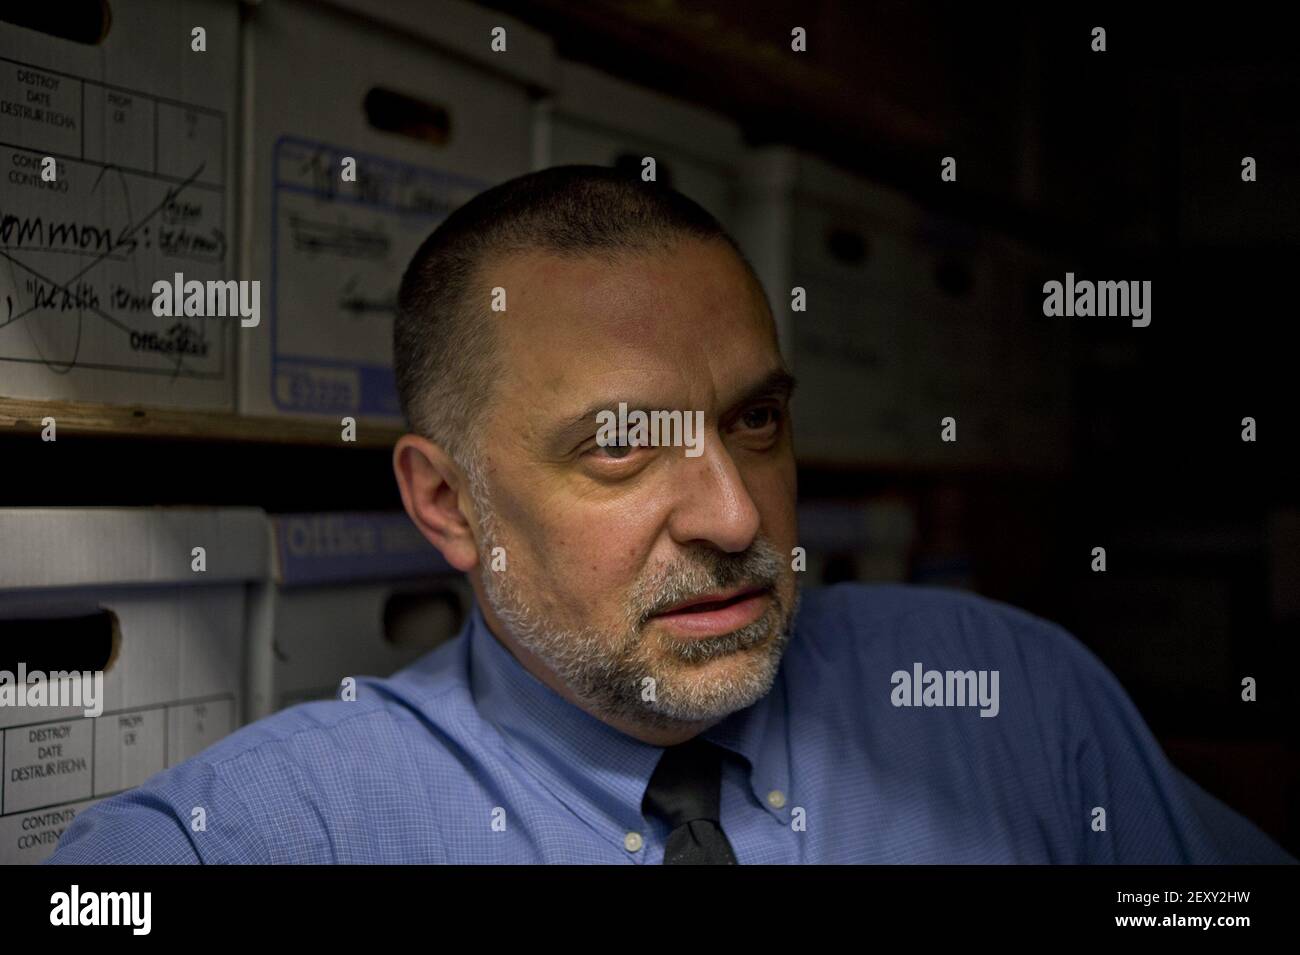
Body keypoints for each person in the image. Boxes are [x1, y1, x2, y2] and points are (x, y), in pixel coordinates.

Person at [46, 166, 1294, 864]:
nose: (734, 511)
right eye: (621, 449)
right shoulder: (271, 835)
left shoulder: (1005, 693)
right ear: (446, 502)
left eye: (755, 420)